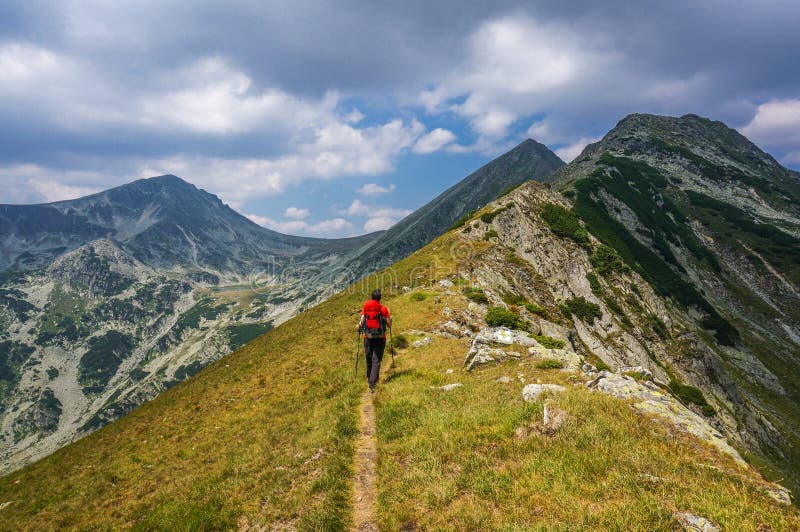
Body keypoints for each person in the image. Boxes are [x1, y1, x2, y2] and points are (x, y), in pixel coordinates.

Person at [357, 289, 392, 393]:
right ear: (380, 298)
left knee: (369, 358)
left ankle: (370, 379)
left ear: (371, 297)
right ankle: (373, 384)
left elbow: (362, 321)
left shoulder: (366, 307)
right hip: (380, 338)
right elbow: (389, 325)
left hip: (367, 337)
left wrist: (358, 327)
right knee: (376, 360)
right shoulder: (384, 309)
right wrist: (389, 319)